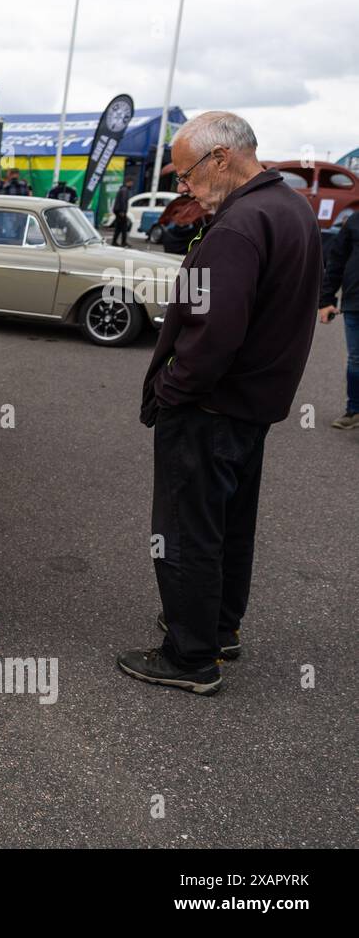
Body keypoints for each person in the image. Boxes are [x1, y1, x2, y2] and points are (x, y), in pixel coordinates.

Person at [123, 111, 322, 695]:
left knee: (186, 531)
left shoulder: (238, 226)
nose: (183, 187)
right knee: (230, 525)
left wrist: (170, 392)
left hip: (210, 410)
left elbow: (214, 335)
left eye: (185, 174)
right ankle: (219, 628)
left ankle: (190, 657)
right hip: (251, 406)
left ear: (220, 159)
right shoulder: (290, 209)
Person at [318, 210, 359, 429]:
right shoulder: (354, 221)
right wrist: (326, 300)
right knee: (356, 360)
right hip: (355, 303)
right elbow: (336, 261)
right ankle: (355, 410)